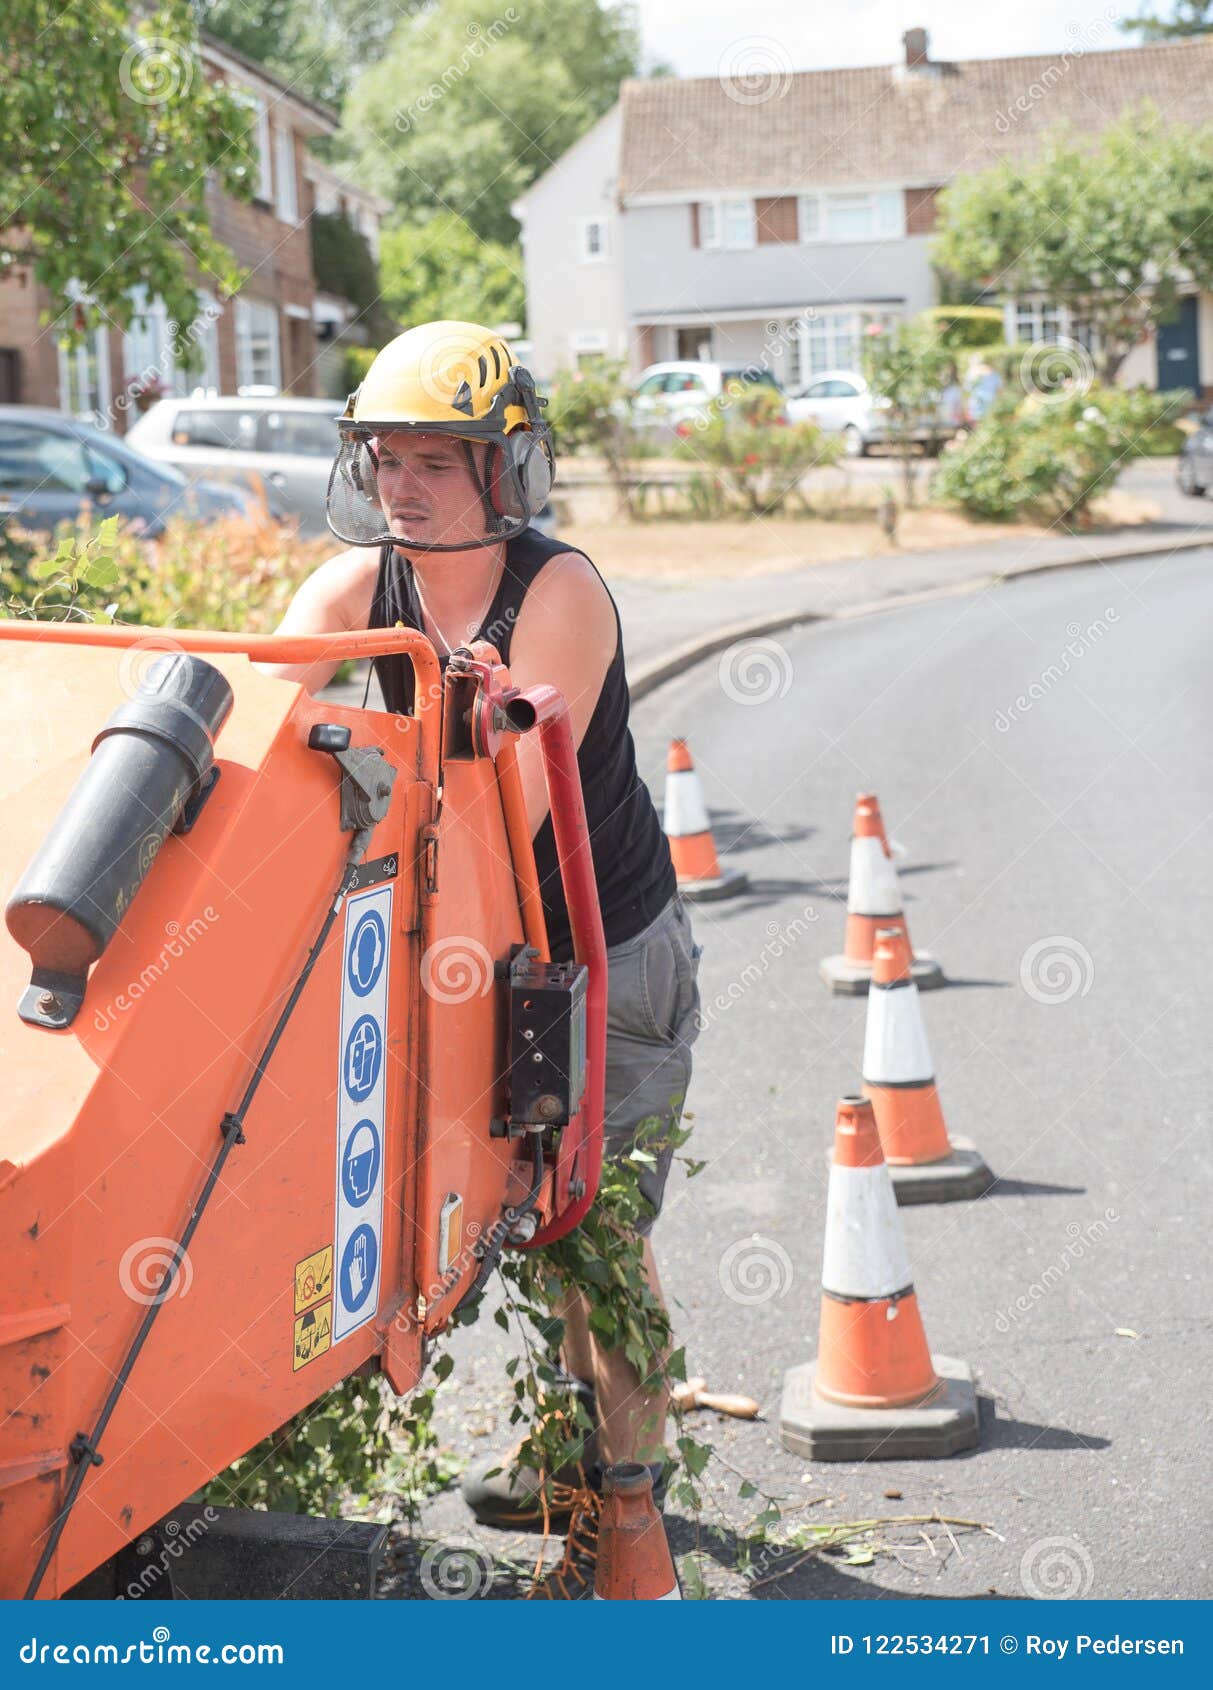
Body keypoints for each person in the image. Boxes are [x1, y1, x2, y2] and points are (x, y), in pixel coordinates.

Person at [257, 320, 702, 1591]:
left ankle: (624, 1500)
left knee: (596, 1226)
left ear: (504, 474)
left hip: (602, 956)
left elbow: (502, 818)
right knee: (507, 1210)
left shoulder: (558, 594)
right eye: (384, 457)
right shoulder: (362, 588)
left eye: (434, 463)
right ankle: (572, 1446)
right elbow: (264, 714)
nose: (401, 483)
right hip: (472, 953)